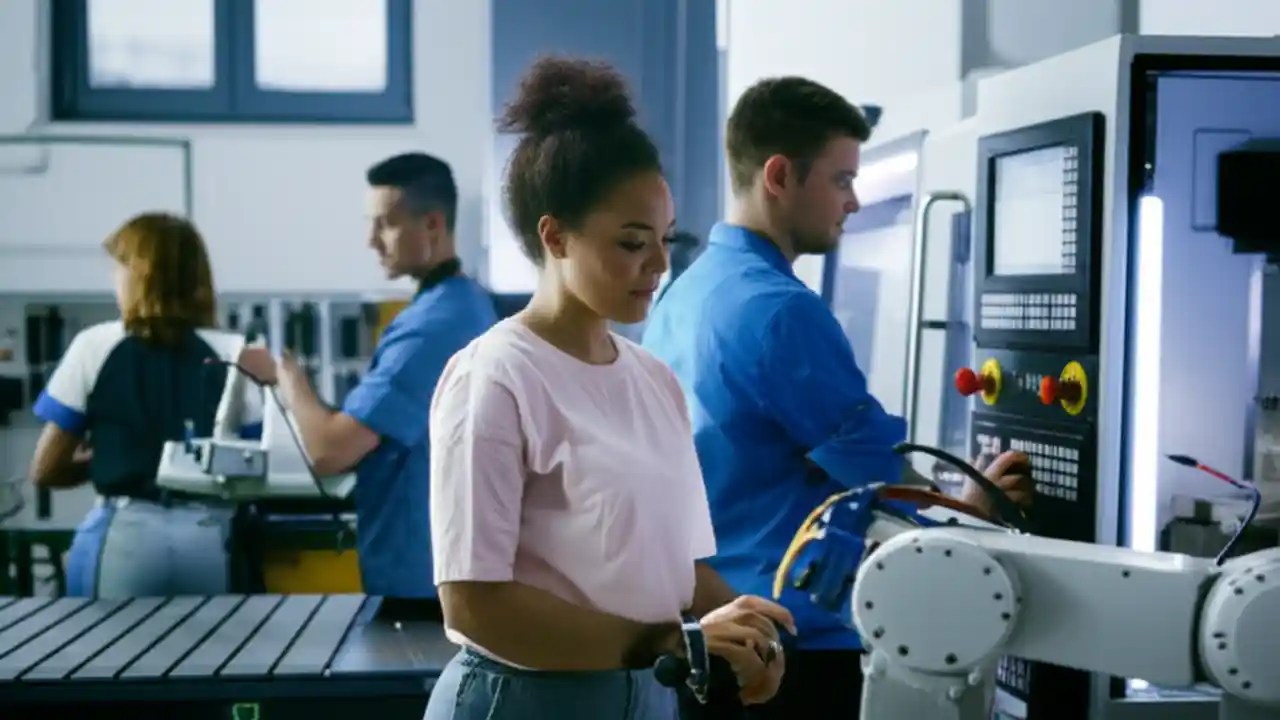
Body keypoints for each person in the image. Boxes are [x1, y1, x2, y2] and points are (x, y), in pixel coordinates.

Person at [641, 76, 1036, 717]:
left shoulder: (684, 292)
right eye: (843, 179)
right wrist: (967, 511)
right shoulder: (780, 311)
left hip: (716, 627)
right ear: (779, 176)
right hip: (793, 645)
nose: (852, 201)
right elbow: (880, 479)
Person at [424, 56, 795, 720]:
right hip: (521, 700)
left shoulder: (652, 379)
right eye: (631, 243)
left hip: (646, 692)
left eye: (665, 239)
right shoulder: (495, 377)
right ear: (555, 236)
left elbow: (674, 570)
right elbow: (473, 604)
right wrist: (670, 642)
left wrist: (743, 628)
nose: (659, 264)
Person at [241, 153, 497, 613]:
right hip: (434, 573)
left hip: (422, 587)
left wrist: (286, 376)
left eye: (385, 224)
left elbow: (330, 450)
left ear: (433, 224)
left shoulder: (435, 325)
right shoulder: (458, 306)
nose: (371, 240)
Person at [29, 212, 263, 598]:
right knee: (213, 640)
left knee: (107, 639)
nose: (114, 278)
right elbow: (258, 466)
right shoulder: (236, 352)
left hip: (124, 538)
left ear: (140, 275)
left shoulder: (94, 345)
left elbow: (45, 469)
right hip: (209, 541)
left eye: (119, 267)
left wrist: (111, 457)